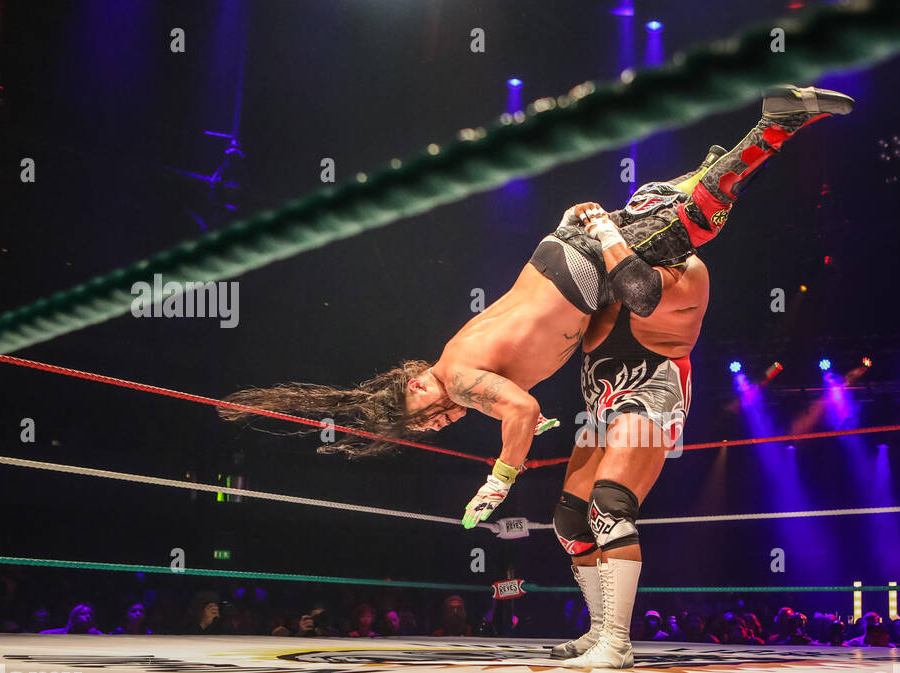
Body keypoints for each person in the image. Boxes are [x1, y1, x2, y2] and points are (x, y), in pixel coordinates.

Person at [219, 86, 854, 529]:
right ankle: (734, 151)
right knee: (674, 210)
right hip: (566, 260)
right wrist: (519, 429)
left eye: (421, 416)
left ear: (414, 384)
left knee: (696, 224)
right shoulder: (461, 369)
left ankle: (777, 123)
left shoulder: (459, 379)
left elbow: (522, 407)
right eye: (424, 431)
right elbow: (522, 387)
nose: (435, 423)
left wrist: (500, 478)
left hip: (578, 270)